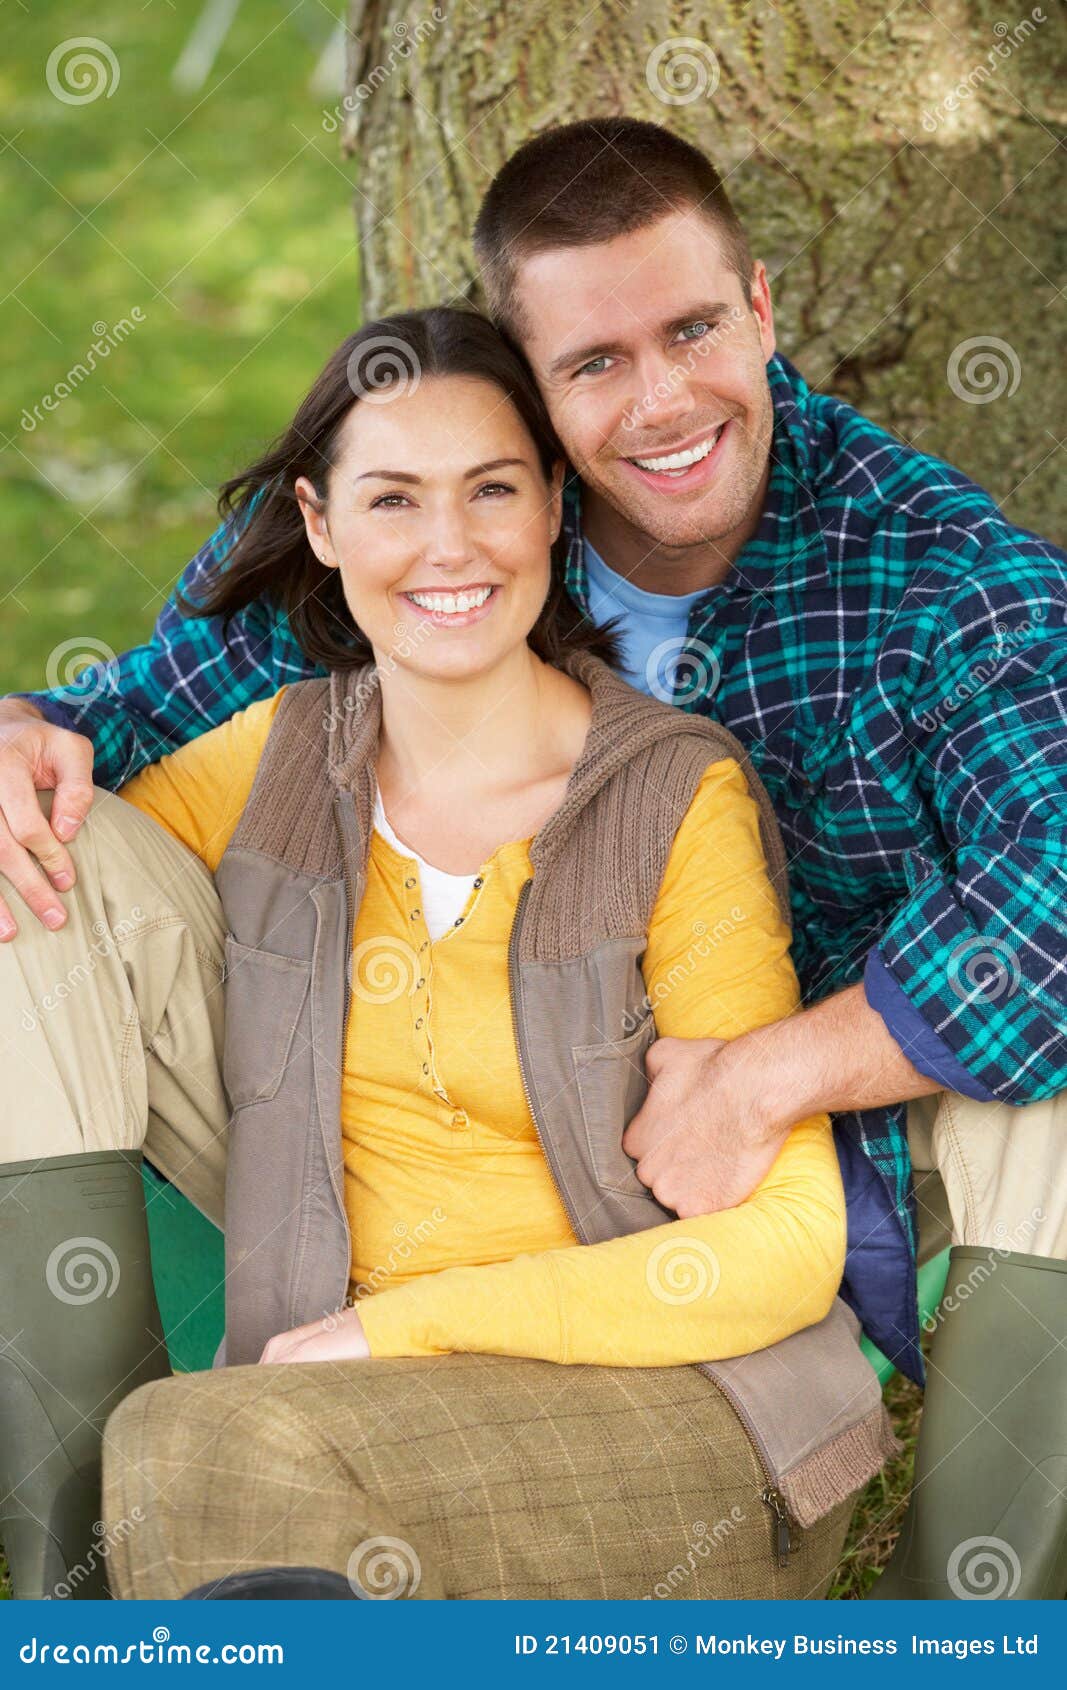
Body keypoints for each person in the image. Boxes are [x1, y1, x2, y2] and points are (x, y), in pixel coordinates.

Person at [1, 117, 1064, 1599]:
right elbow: (145, 705)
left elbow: (1053, 898)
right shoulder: (442, 517)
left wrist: (773, 1074)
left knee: (1056, 1078)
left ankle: (962, 1608)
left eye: (694, 328)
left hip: (773, 1157)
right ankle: (79, 1576)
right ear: (528, 387)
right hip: (409, 1152)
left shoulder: (934, 581)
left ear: (762, 306)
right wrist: (30, 736)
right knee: (32, 863)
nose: (665, 399)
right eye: (594, 364)